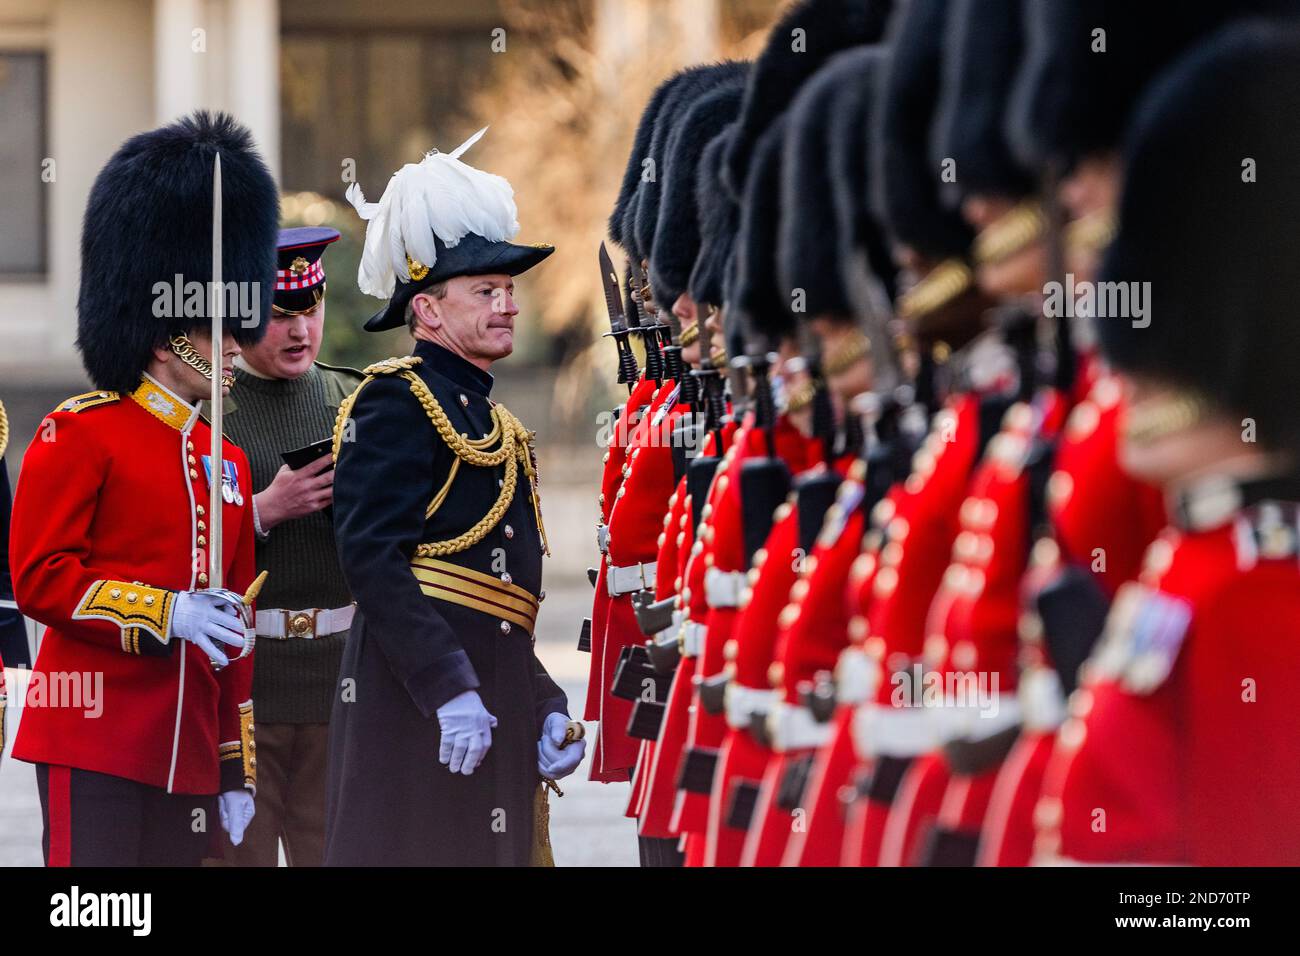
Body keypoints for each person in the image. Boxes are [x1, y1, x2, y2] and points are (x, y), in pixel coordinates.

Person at [7, 111, 277, 866]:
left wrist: (233, 766)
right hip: (94, 736)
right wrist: (166, 612)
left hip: (187, 752)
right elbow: (40, 576)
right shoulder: (81, 431)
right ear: (165, 337)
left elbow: (235, 622)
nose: (236, 346)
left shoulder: (225, 457)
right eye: (219, 330)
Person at [325, 130, 584, 866]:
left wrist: (544, 706)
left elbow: (500, 612)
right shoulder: (397, 403)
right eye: (486, 292)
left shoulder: (494, 422)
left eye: (509, 291)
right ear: (428, 311)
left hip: (486, 714)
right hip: (414, 718)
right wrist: (446, 689)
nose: (508, 306)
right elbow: (371, 557)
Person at [218, 226, 364, 866]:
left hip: (341, 685)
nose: (301, 330)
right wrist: (258, 513)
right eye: (280, 316)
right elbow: (167, 543)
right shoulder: (207, 412)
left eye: (310, 308)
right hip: (245, 691)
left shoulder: (355, 399)